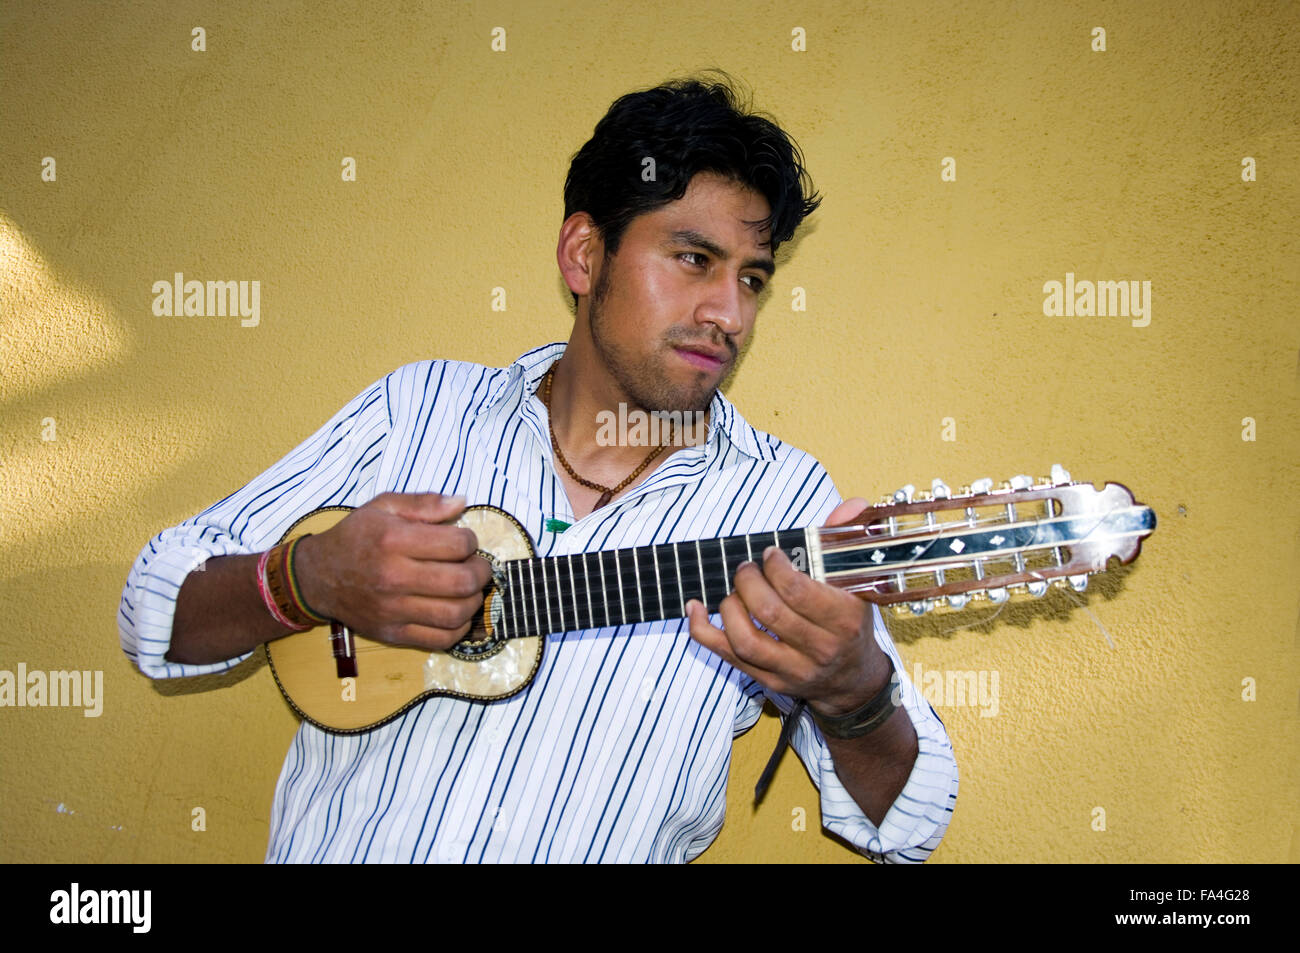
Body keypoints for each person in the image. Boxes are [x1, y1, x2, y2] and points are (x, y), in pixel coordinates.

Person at [118, 72, 958, 863]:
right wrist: (306, 579)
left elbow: (910, 821)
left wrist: (856, 696)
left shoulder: (783, 504)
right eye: (694, 259)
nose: (728, 314)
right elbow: (156, 613)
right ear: (584, 255)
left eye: (753, 280)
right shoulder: (421, 410)